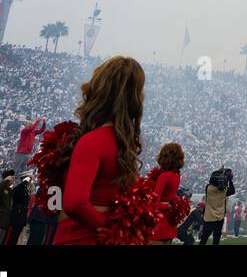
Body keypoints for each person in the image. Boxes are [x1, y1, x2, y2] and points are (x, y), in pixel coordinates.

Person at [53, 56, 146, 245]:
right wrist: (116, 230)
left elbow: (74, 202)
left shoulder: (93, 141)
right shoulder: (120, 143)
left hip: (79, 238)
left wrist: (107, 227)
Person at [150, 142, 185, 245]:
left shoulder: (164, 176)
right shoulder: (177, 175)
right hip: (169, 223)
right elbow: (171, 196)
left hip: (158, 224)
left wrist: (166, 206)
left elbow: (153, 202)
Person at [200, 166, 235, 245]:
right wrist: (229, 179)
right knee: (216, 240)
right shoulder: (224, 190)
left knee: (204, 239)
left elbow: (212, 179)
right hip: (219, 218)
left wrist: (219, 172)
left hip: (208, 217)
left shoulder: (208, 188)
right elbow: (232, 191)